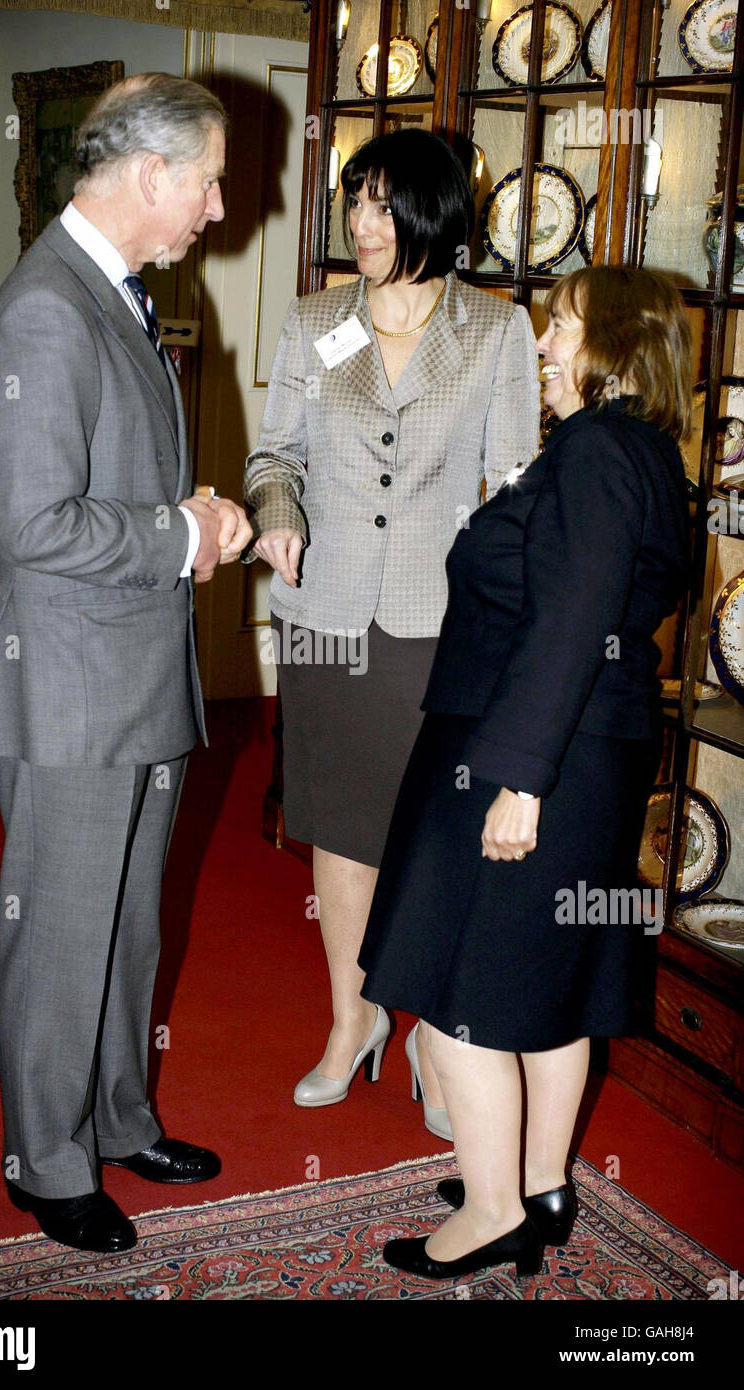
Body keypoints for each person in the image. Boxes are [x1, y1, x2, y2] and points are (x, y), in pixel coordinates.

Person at [0, 74, 251, 1254]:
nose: (221, 208)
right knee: (63, 932)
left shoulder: (110, 289)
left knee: (126, 924)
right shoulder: (47, 307)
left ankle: (118, 1118)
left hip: (129, 674)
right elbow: (36, 527)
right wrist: (187, 533)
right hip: (68, 687)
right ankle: (46, 1158)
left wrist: (186, 522)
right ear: (151, 175)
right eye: (212, 179)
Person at [358, 265, 692, 1281]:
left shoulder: (593, 449)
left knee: (458, 985)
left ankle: (495, 1212)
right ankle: (540, 1181)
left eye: (561, 329)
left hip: (530, 749)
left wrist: (517, 780)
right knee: (543, 989)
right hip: (581, 742)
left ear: (613, 346)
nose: (544, 346)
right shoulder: (642, 449)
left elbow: (567, 622)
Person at [243, 128, 539, 1121]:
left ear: (431, 214)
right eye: (354, 204)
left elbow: (513, 492)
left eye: (380, 205)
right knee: (339, 829)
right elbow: (272, 456)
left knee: (438, 835)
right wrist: (278, 521)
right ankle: (352, 1017)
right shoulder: (315, 321)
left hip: (442, 623)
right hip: (324, 614)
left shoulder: (496, 332)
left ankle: (434, 1042)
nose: (361, 225)